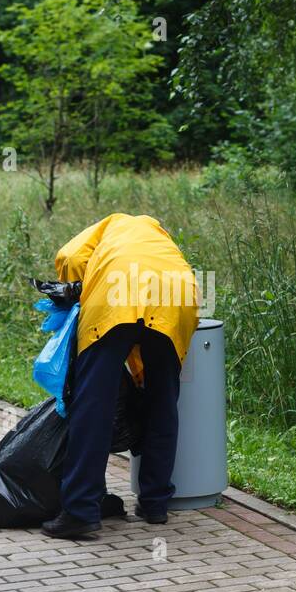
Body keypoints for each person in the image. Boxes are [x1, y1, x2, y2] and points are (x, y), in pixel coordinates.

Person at [41, 213, 199, 539]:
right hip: (178, 293)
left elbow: (69, 257)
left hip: (118, 292)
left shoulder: (108, 225)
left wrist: (79, 293)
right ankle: (155, 503)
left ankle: (80, 512)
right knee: (163, 401)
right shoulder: (161, 240)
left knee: (94, 402)